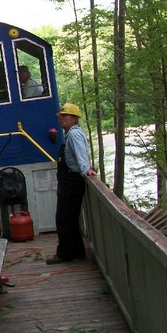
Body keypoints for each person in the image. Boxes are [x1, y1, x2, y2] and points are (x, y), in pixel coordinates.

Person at [47, 103, 97, 265]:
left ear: (74, 119)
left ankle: (65, 254)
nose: (61, 118)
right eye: (61, 116)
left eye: (65, 116)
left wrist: (85, 169)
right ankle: (77, 252)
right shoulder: (71, 134)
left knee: (64, 218)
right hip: (70, 181)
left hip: (71, 181)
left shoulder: (74, 135)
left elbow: (81, 154)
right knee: (71, 218)